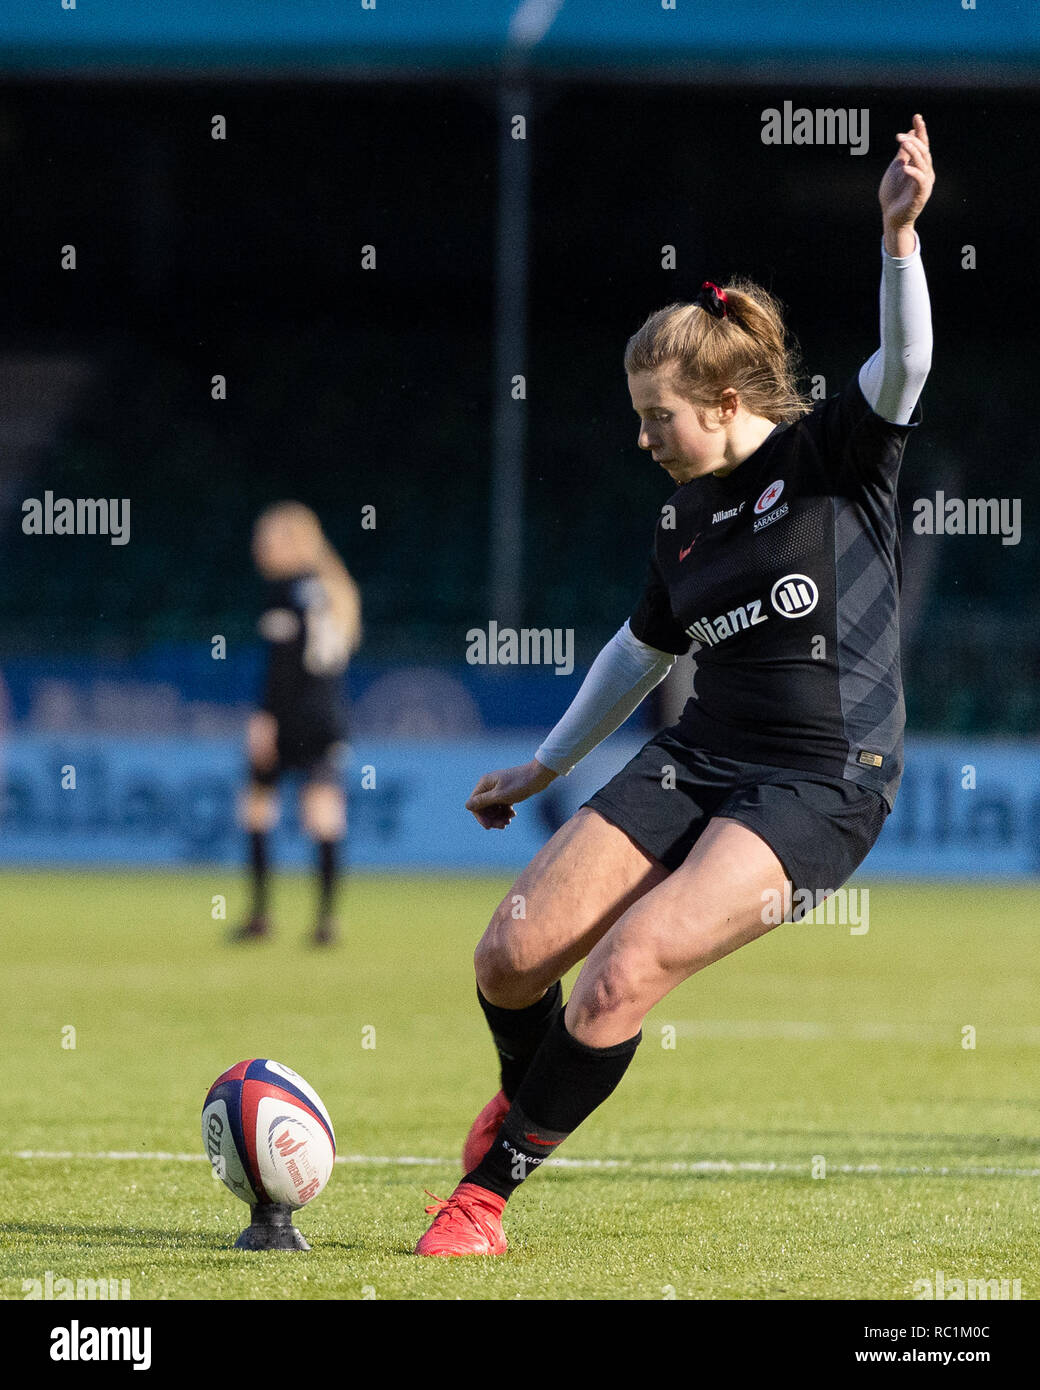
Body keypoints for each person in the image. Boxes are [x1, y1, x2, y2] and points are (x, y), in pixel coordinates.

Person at [415, 115, 935, 1255]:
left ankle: (485, 1194)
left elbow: (904, 368)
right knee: (507, 956)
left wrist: (896, 237)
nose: (642, 436)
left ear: (720, 405)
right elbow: (637, 651)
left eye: (657, 418)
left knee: (624, 969)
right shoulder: (682, 522)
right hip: (700, 757)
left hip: (821, 783)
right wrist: (546, 763)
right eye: (638, 417)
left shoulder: (830, 457)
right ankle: (534, 1098)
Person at [232, 502, 361, 947]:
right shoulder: (331, 588)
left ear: (294, 543)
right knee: (324, 816)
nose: (259, 548)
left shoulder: (287, 589)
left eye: (267, 539)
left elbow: (283, 666)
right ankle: (327, 923)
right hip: (329, 715)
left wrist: (265, 719)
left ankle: (260, 915)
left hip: (291, 714)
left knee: (256, 806)